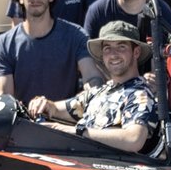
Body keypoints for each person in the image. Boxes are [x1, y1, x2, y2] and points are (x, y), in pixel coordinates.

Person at [28, 21, 161, 154]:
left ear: (136, 52)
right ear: (102, 55)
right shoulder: (98, 93)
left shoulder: (140, 95)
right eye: (107, 48)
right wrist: (43, 104)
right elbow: (55, 109)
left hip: (107, 165)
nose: (113, 54)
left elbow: (133, 139)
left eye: (121, 47)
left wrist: (77, 131)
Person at [0, 0, 99, 105]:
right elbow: (5, 99)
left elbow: (92, 77)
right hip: (23, 117)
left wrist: (90, 91)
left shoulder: (76, 35)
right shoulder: (4, 44)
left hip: (65, 116)